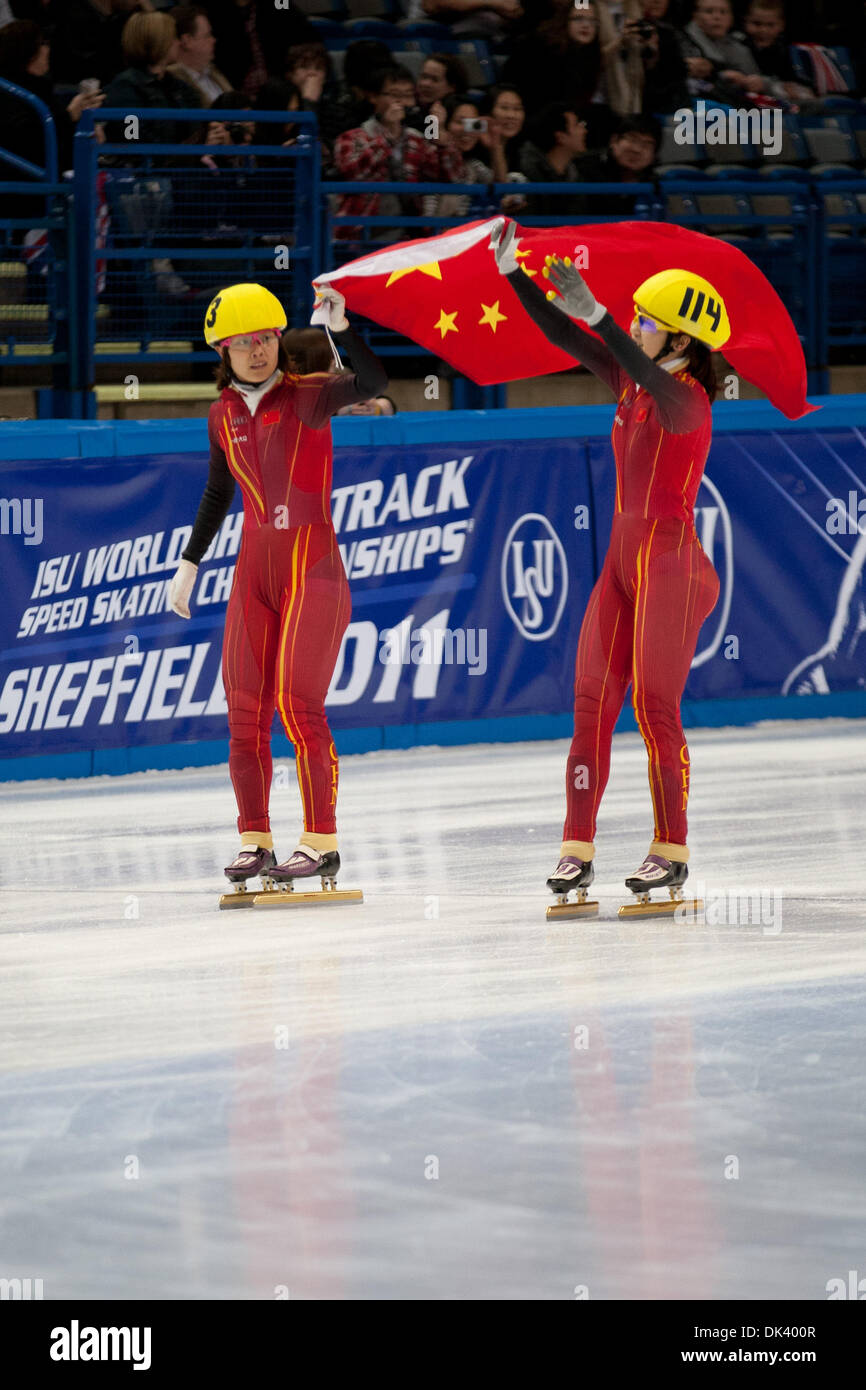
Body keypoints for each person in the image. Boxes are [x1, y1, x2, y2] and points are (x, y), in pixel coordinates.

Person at [490, 219, 726, 909]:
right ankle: (576, 847)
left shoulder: (690, 401)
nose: (631, 326)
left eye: (643, 321)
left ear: (678, 339)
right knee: (591, 705)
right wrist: (513, 274)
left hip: (672, 569)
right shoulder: (632, 380)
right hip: (622, 566)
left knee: (655, 706)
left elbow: (643, 365)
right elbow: (567, 337)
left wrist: (599, 313)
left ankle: (669, 849)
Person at [168, 282, 388, 891]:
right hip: (252, 575)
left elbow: (373, 384)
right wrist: (191, 561)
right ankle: (254, 838)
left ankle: (320, 842)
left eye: (265, 339)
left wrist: (343, 333)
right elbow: (218, 491)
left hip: (312, 570)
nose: (257, 352)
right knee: (243, 712)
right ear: (223, 351)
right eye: (243, 344)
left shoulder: (310, 397)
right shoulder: (221, 414)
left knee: (298, 704)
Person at [332, 64, 463, 241]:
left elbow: (450, 177)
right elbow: (355, 173)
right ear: (373, 97)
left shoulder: (416, 139)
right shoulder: (351, 138)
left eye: (408, 95)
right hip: (362, 235)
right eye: (394, 95)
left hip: (408, 236)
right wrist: (388, 136)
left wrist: (439, 137)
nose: (401, 102)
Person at [518, 103, 590, 217]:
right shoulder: (530, 174)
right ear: (561, 137)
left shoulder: (577, 175)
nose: (584, 131)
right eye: (577, 125)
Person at [167, 4, 231, 106]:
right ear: (186, 41)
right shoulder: (172, 82)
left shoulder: (214, 73)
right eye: (207, 35)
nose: (213, 40)